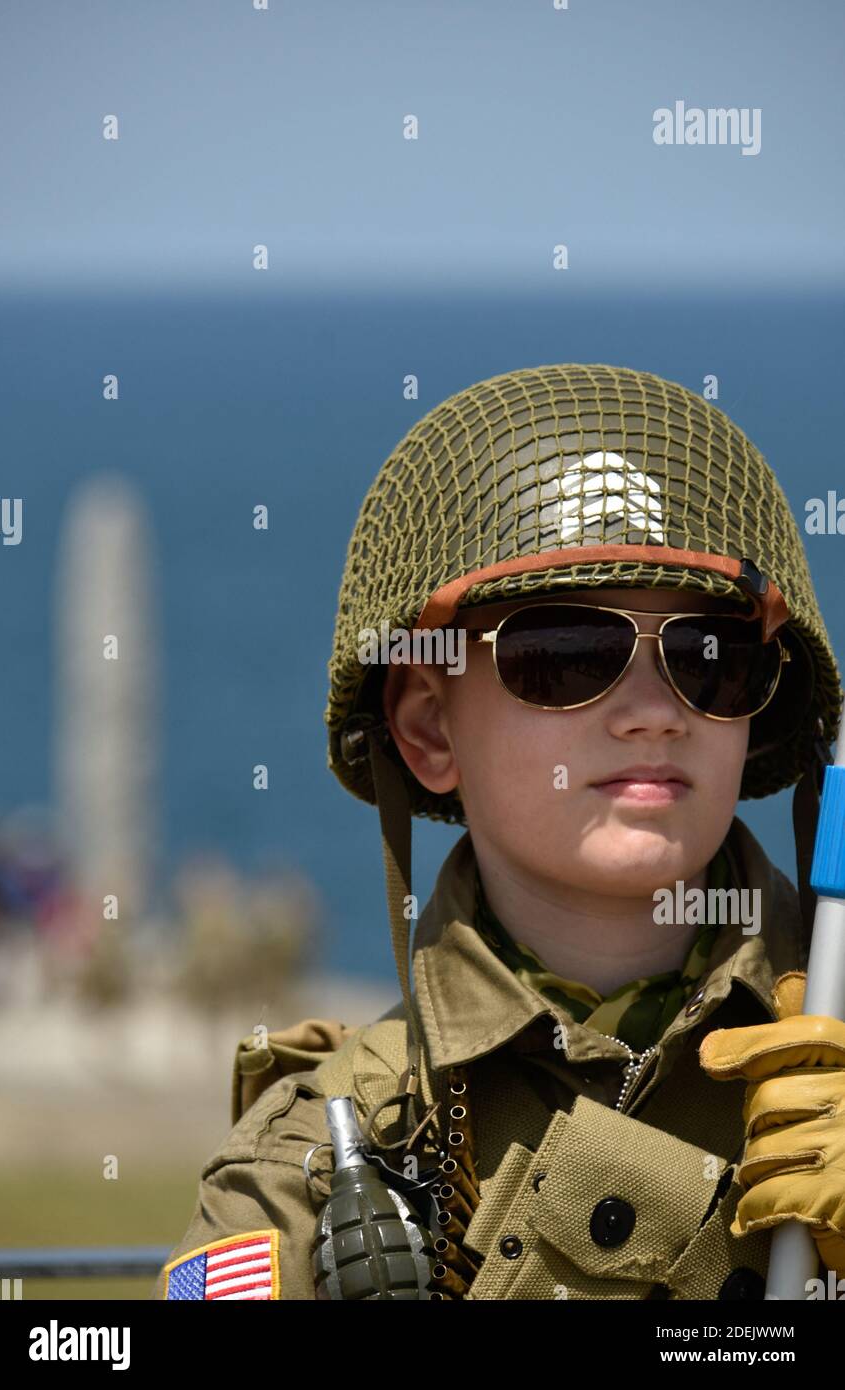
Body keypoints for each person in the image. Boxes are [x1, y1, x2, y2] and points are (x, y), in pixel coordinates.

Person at [155, 362, 845, 1300]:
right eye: (564, 654)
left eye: (707, 656)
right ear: (431, 728)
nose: (654, 713)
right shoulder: (310, 1165)